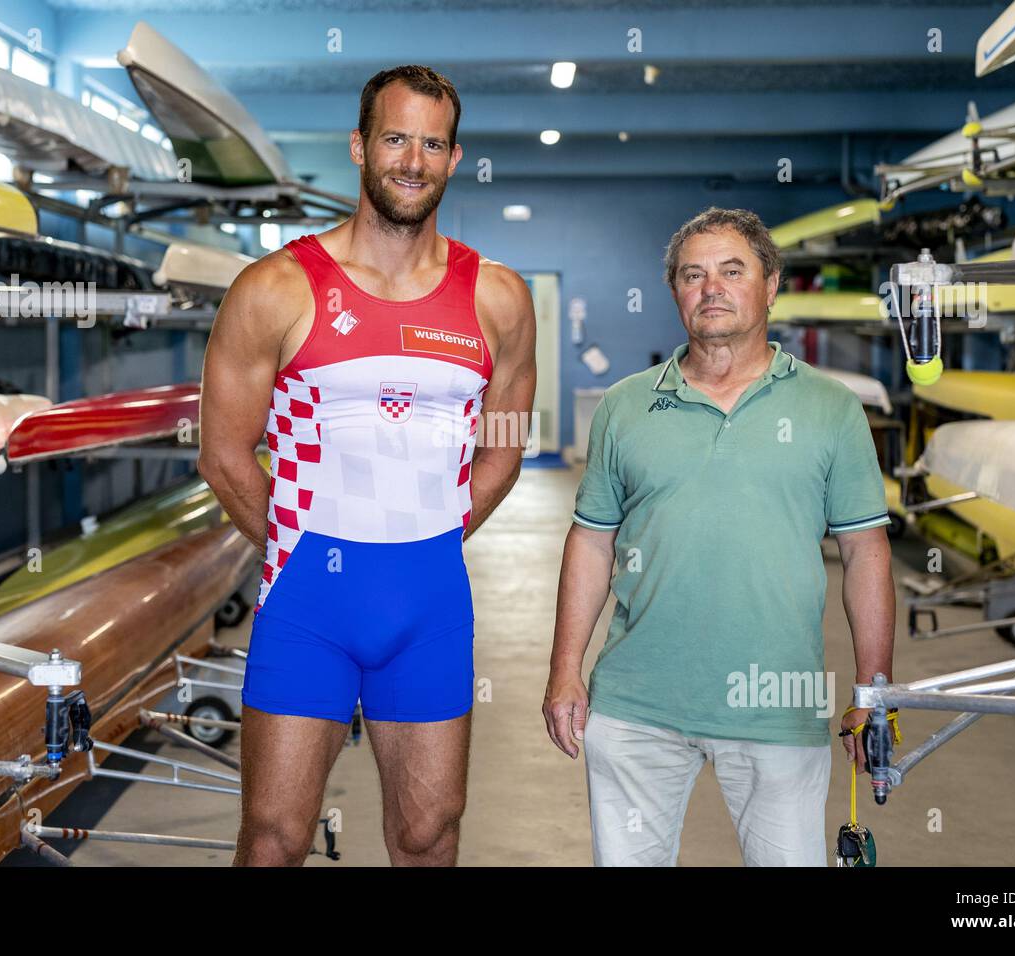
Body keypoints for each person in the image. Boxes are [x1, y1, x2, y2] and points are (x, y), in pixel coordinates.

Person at [199, 65, 536, 866]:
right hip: (308, 598)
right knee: (275, 838)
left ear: (454, 159)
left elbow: (507, 441)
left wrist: (431, 538)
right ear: (359, 146)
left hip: (430, 599)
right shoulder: (275, 289)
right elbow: (222, 455)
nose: (412, 160)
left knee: (428, 833)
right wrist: (298, 550)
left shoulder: (498, 298)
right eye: (395, 138)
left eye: (432, 143)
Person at [543, 206, 895, 866]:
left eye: (733, 271)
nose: (711, 288)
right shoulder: (625, 406)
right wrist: (566, 671)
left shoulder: (830, 408)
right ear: (675, 291)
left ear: (771, 284)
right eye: (692, 274)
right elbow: (590, 542)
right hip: (635, 705)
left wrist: (872, 691)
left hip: (778, 706)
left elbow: (865, 550)